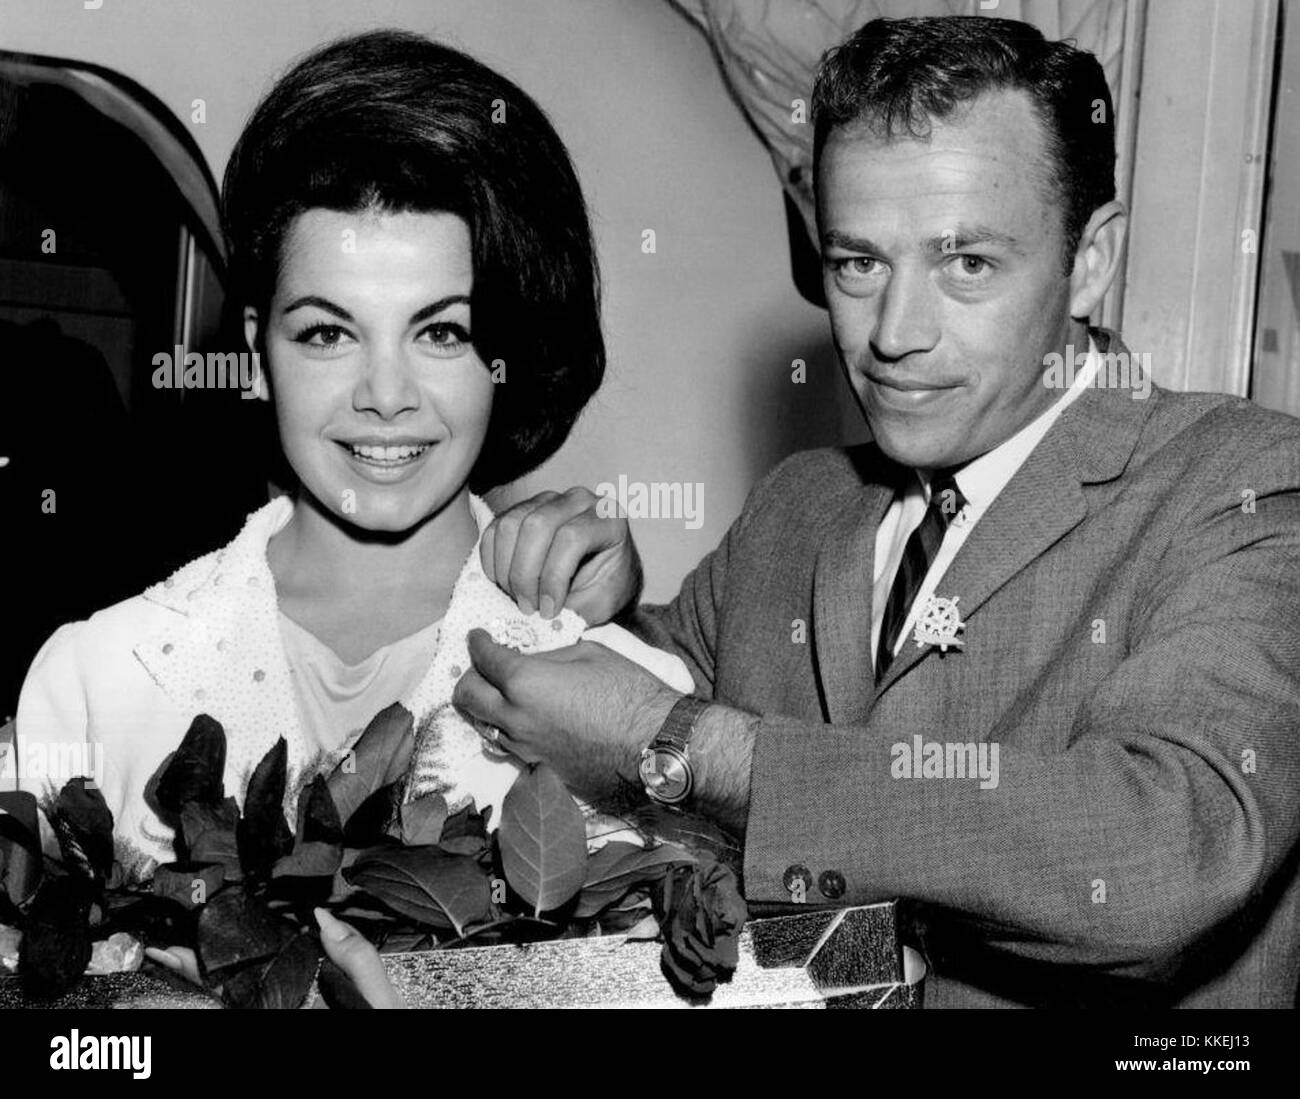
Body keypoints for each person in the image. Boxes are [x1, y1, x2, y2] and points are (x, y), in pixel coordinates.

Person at [453, 15, 1300, 1008]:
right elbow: (638, 739)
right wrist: (603, 609)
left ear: (1092, 259)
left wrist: (684, 740)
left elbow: (1166, 852)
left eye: (966, 264)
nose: (894, 334)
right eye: (857, 264)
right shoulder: (800, 501)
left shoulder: (1245, 486)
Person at [9, 30, 689, 1004]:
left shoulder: (634, 698)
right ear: (254, 349)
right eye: (327, 331)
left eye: (441, 332)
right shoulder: (89, 679)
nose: (384, 394)